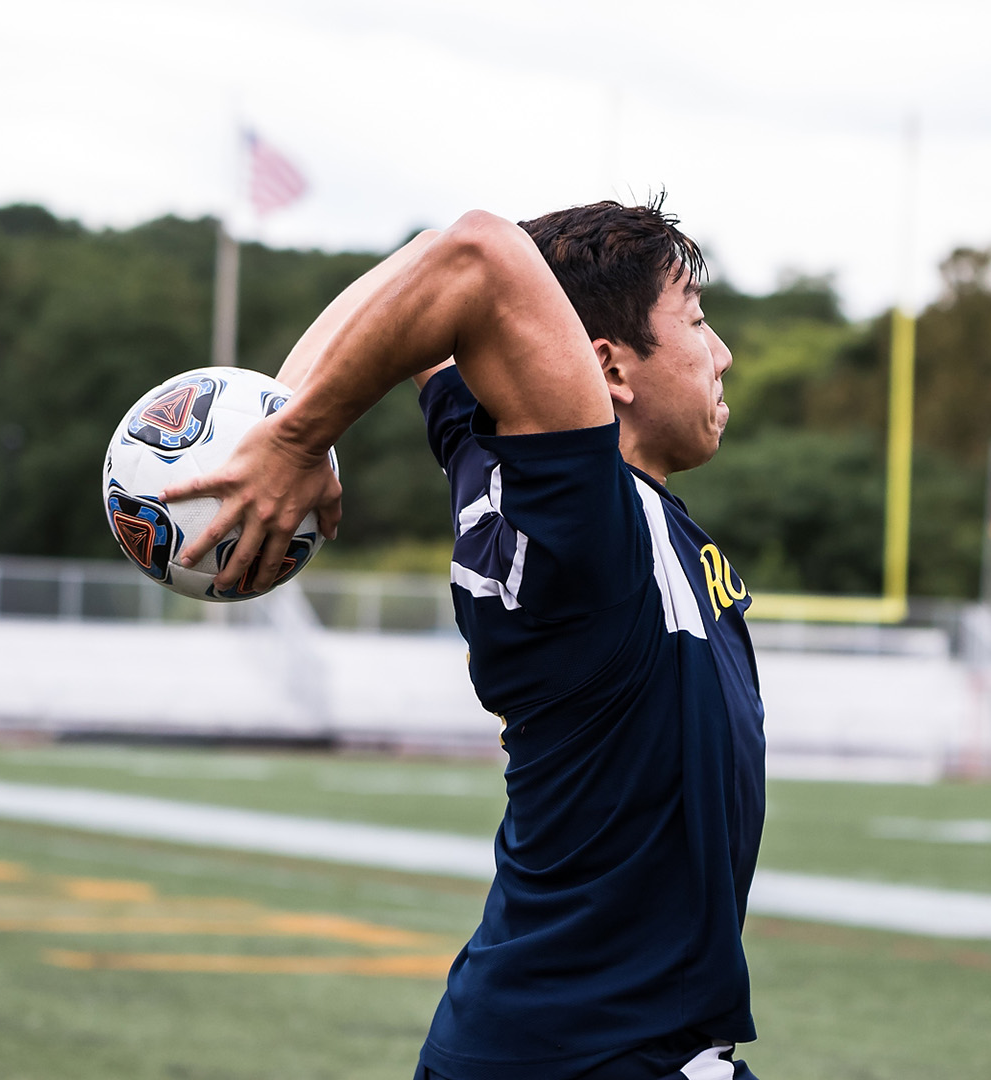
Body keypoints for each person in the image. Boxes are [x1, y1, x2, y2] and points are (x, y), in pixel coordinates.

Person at [161, 198, 764, 1080]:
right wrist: (295, 434)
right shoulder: (585, 522)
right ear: (608, 368)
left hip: (549, 1037)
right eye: (698, 323)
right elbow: (476, 252)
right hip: (598, 1052)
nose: (722, 352)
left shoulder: (509, 465)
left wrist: (289, 423)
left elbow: (431, 279)